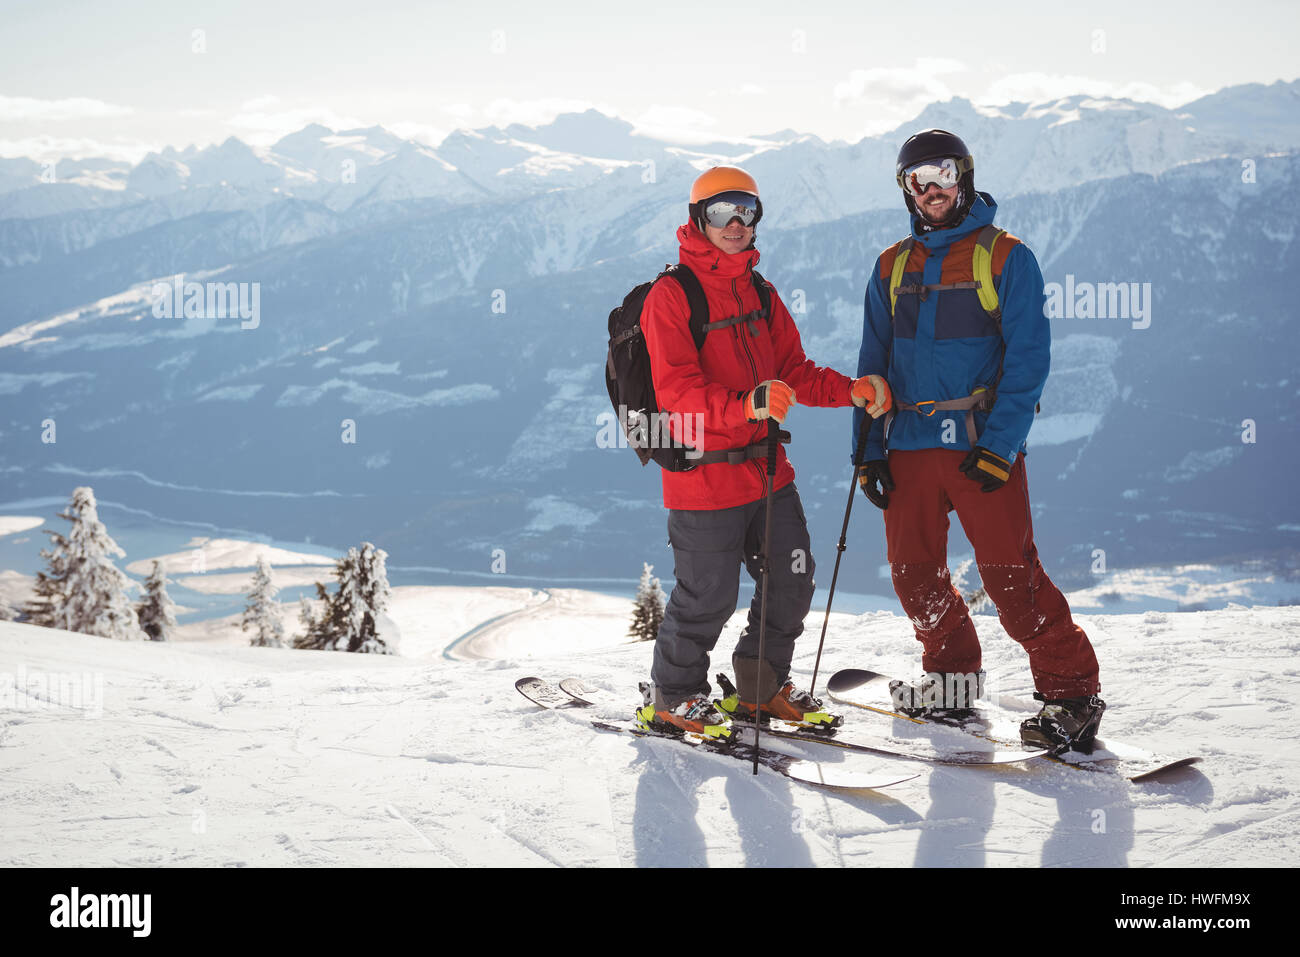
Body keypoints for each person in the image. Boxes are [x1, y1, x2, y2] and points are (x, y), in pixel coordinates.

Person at [852, 130, 1105, 752]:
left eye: (940, 174)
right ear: (906, 189)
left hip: (978, 446)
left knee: (1009, 576)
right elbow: (871, 365)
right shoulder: (891, 265)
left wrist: (1001, 445)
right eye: (917, 180)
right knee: (914, 575)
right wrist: (867, 448)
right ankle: (951, 681)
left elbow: (1028, 361)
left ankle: (1071, 694)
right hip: (908, 442)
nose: (931, 189)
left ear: (962, 175)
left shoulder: (1005, 257)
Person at [635, 165, 890, 737]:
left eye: (745, 210)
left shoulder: (760, 292)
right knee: (708, 596)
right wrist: (745, 405)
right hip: (703, 479)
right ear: (700, 219)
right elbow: (674, 391)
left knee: (792, 578)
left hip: (767, 474)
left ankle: (760, 687)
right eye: (722, 211)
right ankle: (674, 695)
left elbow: (794, 371)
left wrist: (849, 390)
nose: (735, 223)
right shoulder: (671, 296)